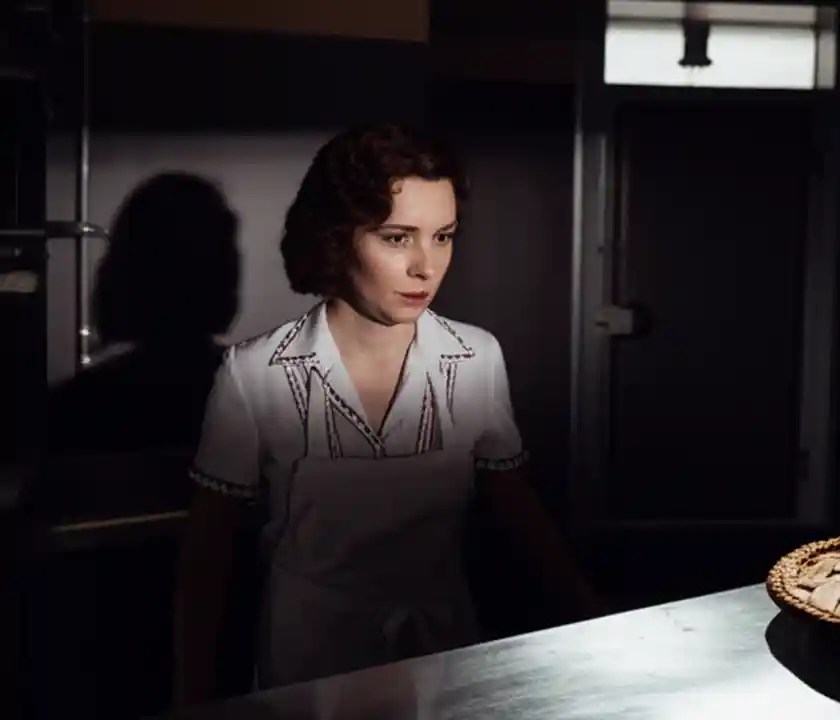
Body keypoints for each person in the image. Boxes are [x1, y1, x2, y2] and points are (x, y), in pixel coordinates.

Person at [173, 124, 602, 705]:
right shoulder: (257, 374)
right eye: (398, 238)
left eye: (443, 236)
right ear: (334, 237)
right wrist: (192, 697)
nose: (427, 266)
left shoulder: (475, 358)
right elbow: (207, 555)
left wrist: (591, 620)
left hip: (444, 656)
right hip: (308, 668)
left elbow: (515, 507)